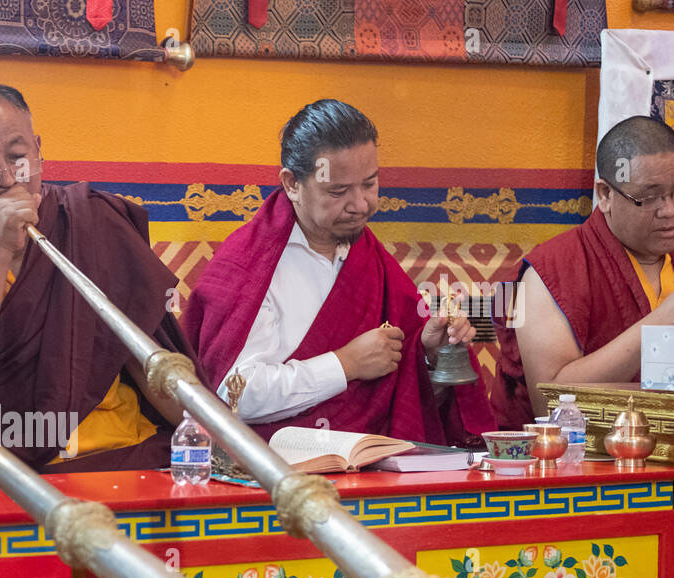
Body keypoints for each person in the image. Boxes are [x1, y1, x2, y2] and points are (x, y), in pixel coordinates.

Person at [0, 81, 195, 473]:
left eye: (19, 157)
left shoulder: (87, 222)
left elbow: (145, 362)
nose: (10, 179)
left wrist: (211, 443)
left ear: (39, 151)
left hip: (120, 456)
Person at [182, 99, 494, 444]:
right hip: (270, 473)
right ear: (291, 184)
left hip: (374, 467)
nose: (360, 204)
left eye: (370, 184)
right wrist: (344, 364)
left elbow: (409, 397)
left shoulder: (371, 258)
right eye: (338, 190)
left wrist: (428, 353)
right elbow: (233, 395)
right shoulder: (247, 266)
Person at [493, 115, 674, 425]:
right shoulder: (552, 270)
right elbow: (550, 403)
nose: (668, 210)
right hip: (577, 464)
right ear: (604, 194)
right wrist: (661, 322)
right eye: (648, 197)